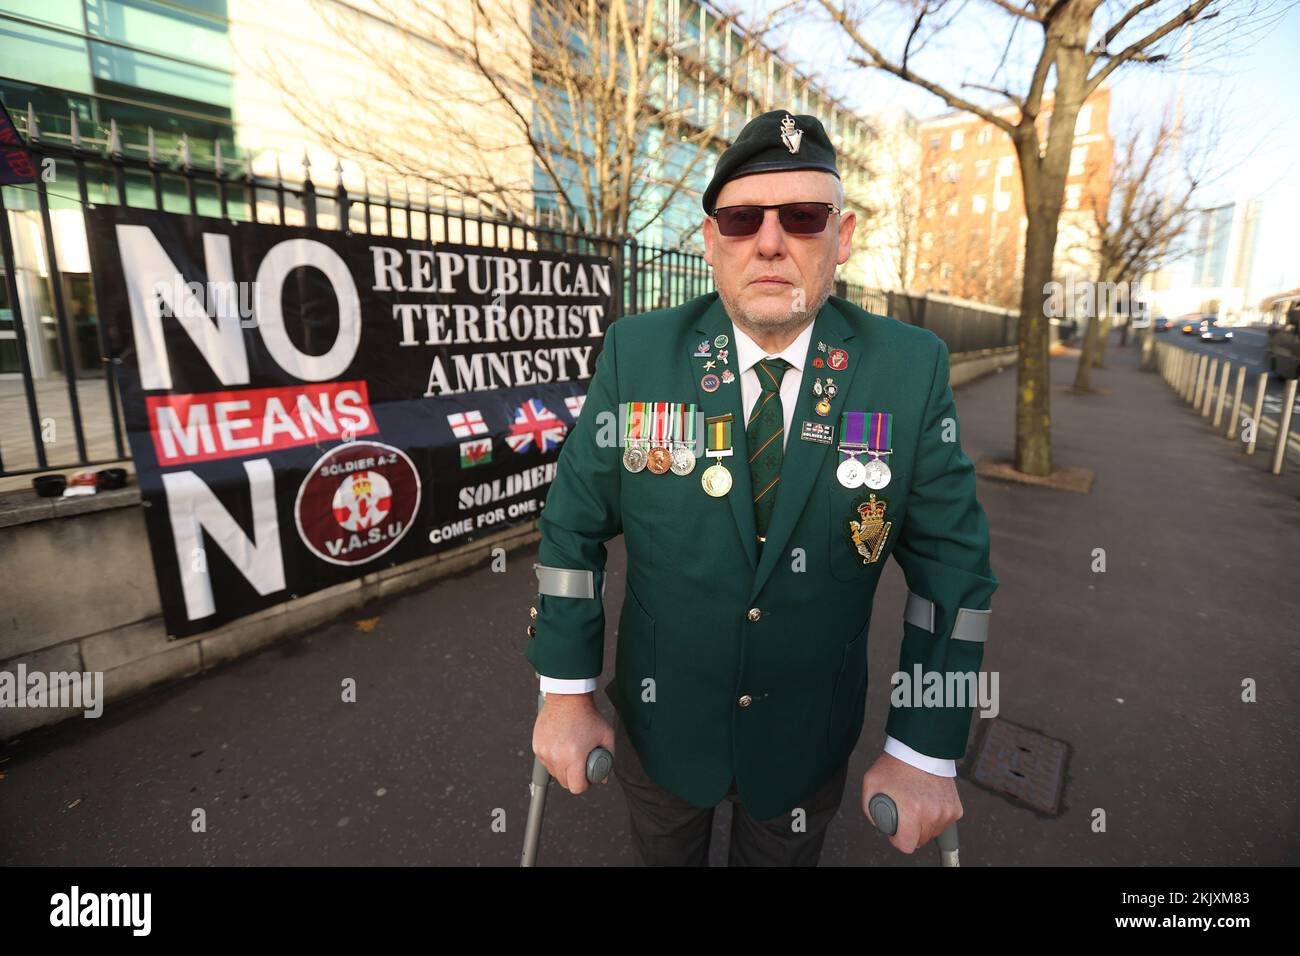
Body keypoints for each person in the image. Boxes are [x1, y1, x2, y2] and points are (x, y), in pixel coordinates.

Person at [525, 109, 997, 866]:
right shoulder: (638, 354)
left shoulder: (907, 371)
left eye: (803, 217)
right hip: (661, 726)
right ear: (712, 243)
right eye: (743, 219)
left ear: (841, 238)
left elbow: (953, 579)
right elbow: (571, 531)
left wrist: (924, 747)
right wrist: (567, 690)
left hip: (805, 741)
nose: (770, 242)